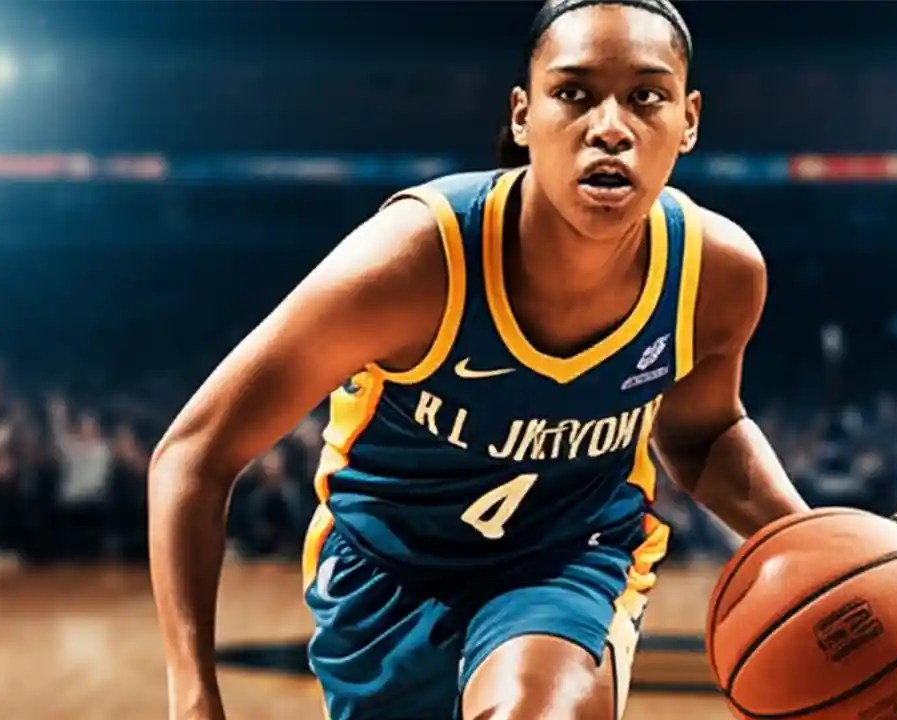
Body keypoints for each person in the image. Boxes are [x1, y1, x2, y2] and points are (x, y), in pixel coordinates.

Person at [149, 1, 809, 718]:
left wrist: (813, 543)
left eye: (647, 96)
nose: (611, 127)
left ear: (689, 120)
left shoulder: (716, 272)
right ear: (524, 115)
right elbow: (193, 454)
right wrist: (193, 696)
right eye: (574, 94)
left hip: (569, 559)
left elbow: (703, 434)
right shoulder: (415, 261)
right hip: (387, 573)